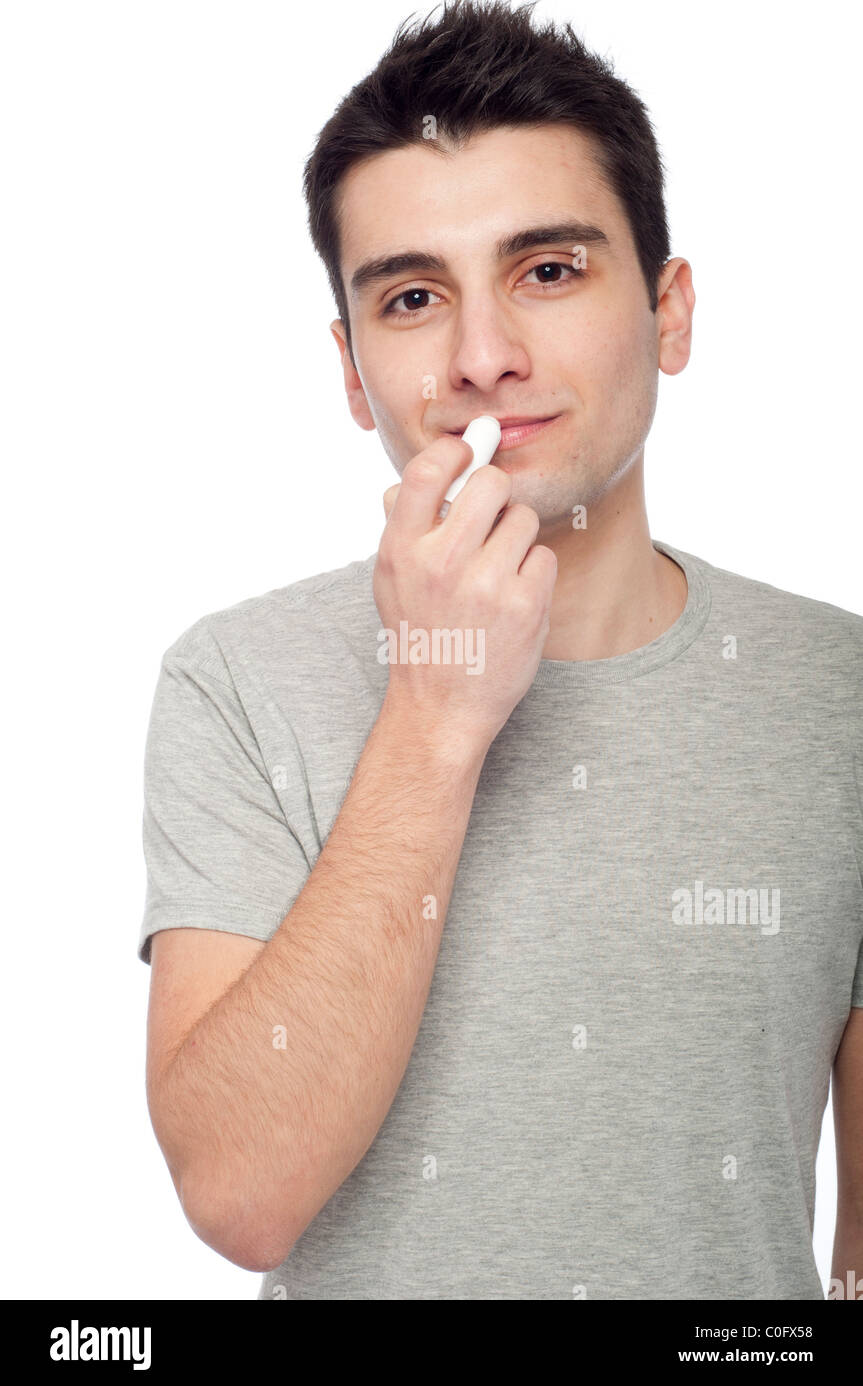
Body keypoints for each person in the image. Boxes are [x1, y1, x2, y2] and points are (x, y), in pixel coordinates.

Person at [138, 0, 863, 1300]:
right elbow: (242, 1190)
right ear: (355, 373)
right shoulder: (233, 682)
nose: (484, 358)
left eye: (549, 270)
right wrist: (436, 706)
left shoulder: (843, 698)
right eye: (414, 297)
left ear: (671, 310)